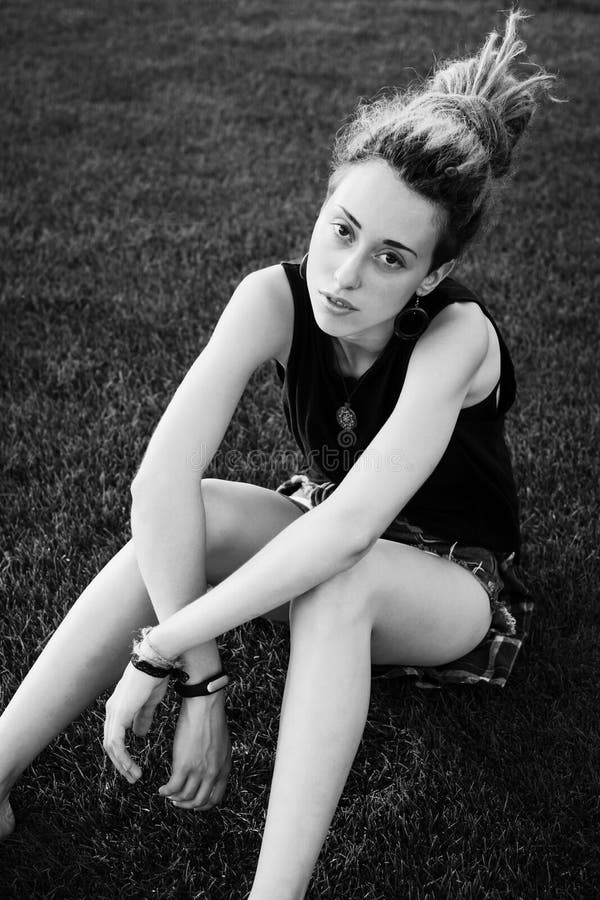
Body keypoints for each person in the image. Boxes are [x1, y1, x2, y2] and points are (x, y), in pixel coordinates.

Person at [0, 10, 554, 898]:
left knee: (346, 572)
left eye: (390, 259)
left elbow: (353, 533)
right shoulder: (271, 296)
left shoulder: (459, 336)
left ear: (432, 276)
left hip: (452, 582)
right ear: (323, 203)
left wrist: (164, 647)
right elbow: (161, 481)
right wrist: (202, 679)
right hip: (325, 522)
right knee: (205, 504)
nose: (344, 277)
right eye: (340, 230)